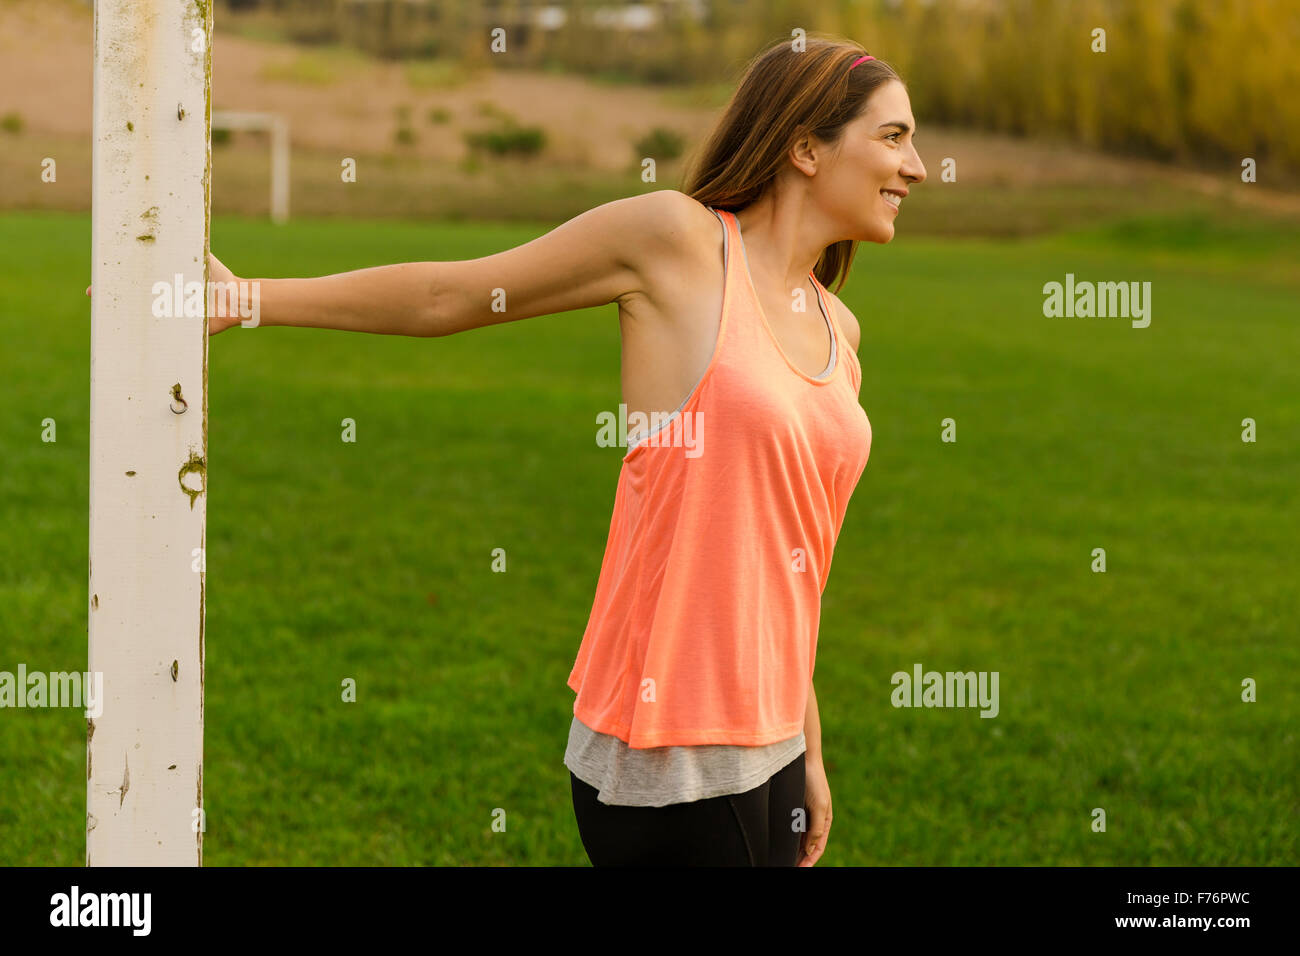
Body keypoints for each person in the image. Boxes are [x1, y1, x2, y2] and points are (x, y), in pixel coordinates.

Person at [89, 36, 924, 867]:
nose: (917, 167)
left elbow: (793, 566)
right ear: (806, 145)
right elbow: (454, 294)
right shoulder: (680, 245)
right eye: (893, 136)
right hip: (673, 751)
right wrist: (244, 297)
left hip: (773, 742)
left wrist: (807, 749)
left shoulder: (838, 331)